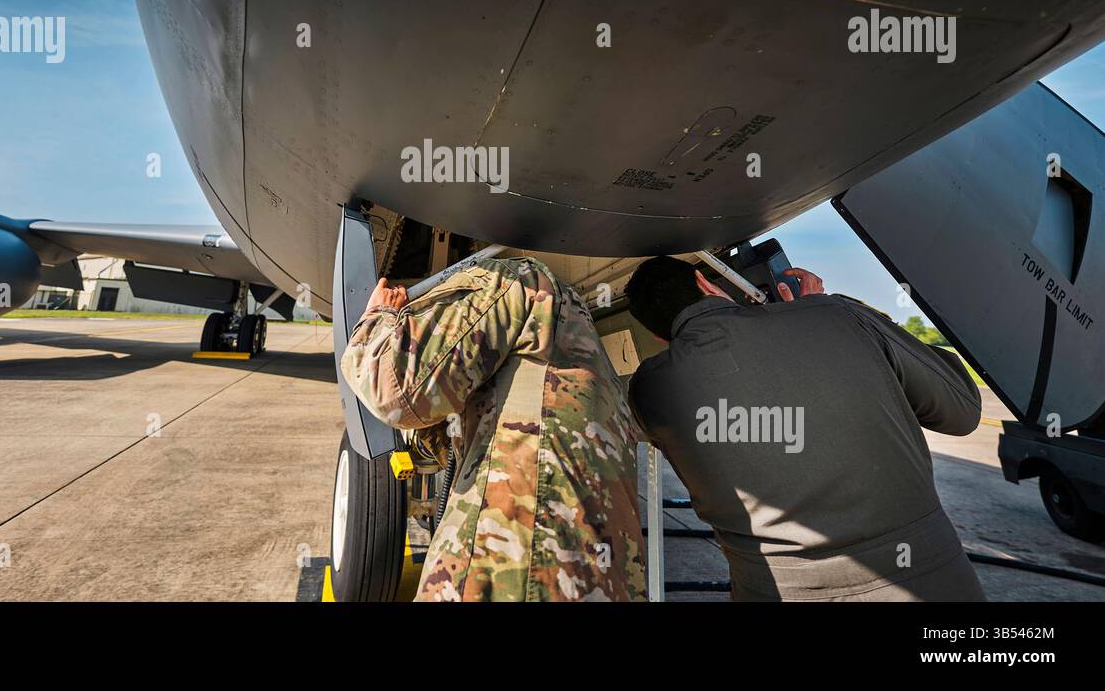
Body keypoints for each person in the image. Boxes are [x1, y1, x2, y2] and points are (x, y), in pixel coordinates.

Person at [624, 256, 986, 601]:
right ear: (705, 282)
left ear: (659, 337)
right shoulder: (837, 315)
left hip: (775, 589)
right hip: (927, 579)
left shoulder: (650, 389)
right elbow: (961, 411)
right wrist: (822, 313)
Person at [341, 256, 647, 601]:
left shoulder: (519, 279)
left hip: (512, 575)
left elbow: (394, 390)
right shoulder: (591, 370)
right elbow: (483, 438)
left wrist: (378, 318)